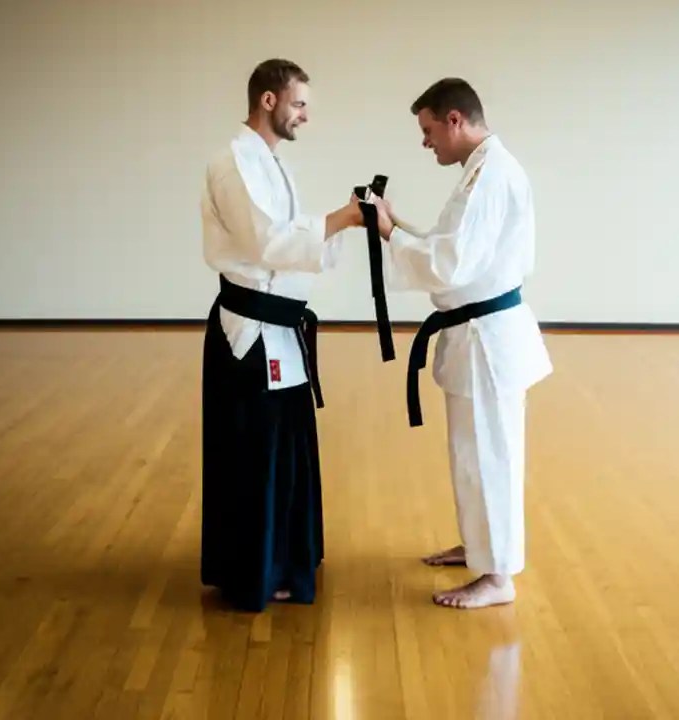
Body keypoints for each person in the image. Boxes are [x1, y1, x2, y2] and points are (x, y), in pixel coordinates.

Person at [370, 78, 552, 609]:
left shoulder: (491, 176)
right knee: (472, 455)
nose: (426, 143)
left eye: (428, 130)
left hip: (489, 342)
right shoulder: (480, 171)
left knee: (490, 457)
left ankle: (497, 577)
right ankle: (480, 547)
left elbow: (450, 264)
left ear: (455, 120)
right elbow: (448, 246)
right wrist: (392, 222)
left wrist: (387, 234)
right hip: (477, 339)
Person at [199, 58, 364, 612]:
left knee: (285, 452)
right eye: (299, 104)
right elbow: (267, 242)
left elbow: (290, 234)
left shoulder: (270, 162)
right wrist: (340, 219)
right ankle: (254, 570)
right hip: (248, 333)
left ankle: (287, 561)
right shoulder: (233, 162)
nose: (304, 116)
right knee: (254, 455)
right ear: (268, 101)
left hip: (281, 330)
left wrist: (343, 220)